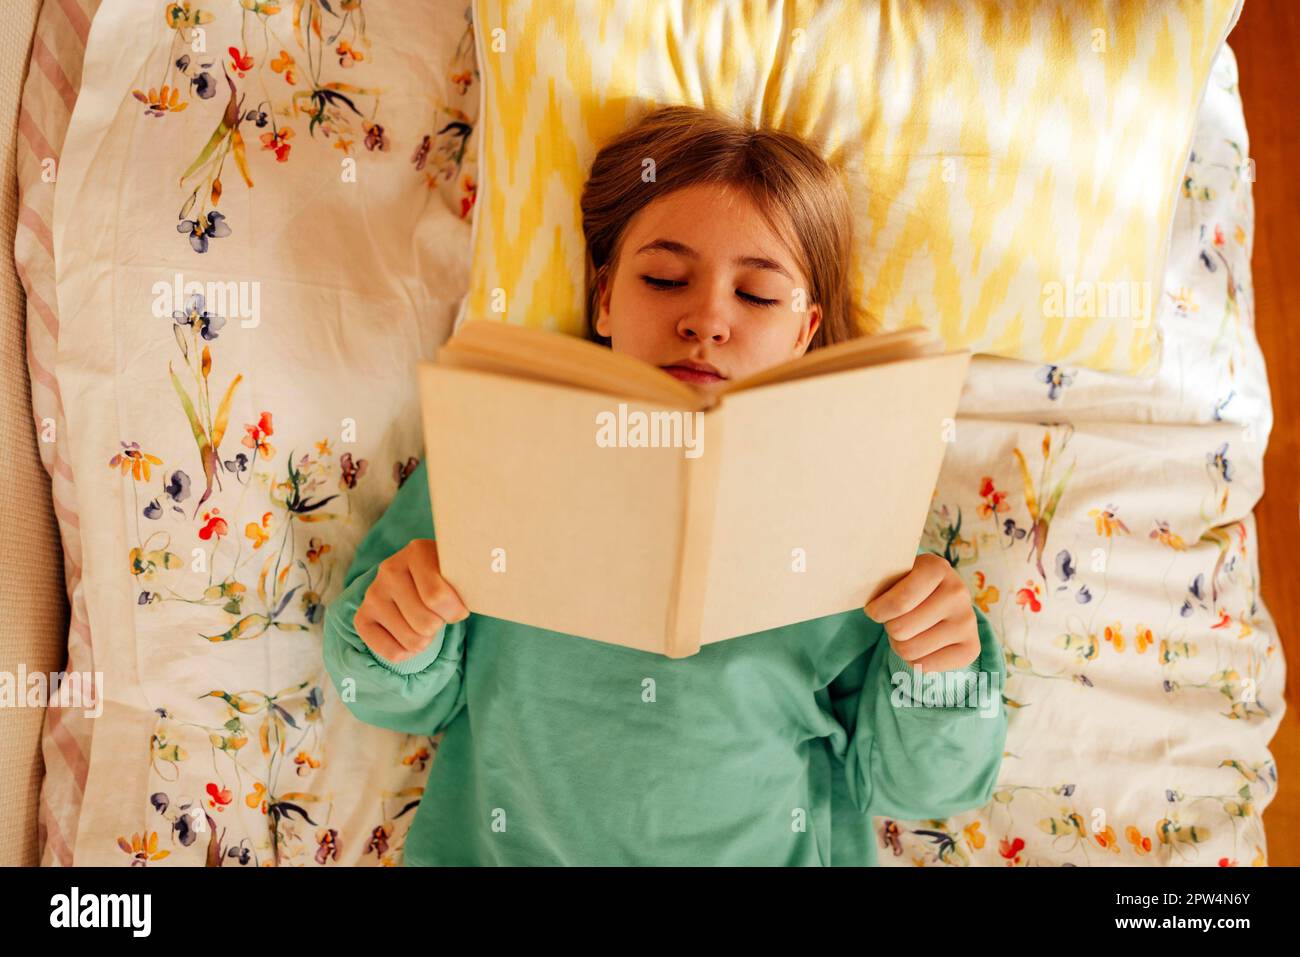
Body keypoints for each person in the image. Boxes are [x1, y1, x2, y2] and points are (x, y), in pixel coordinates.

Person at [323, 105, 1007, 865]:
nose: (708, 318)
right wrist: (399, 634)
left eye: (756, 296)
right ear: (606, 297)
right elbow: (384, 698)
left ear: (807, 329)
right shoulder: (499, 446)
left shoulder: (855, 504)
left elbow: (917, 786)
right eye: (665, 278)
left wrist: (942, 668)